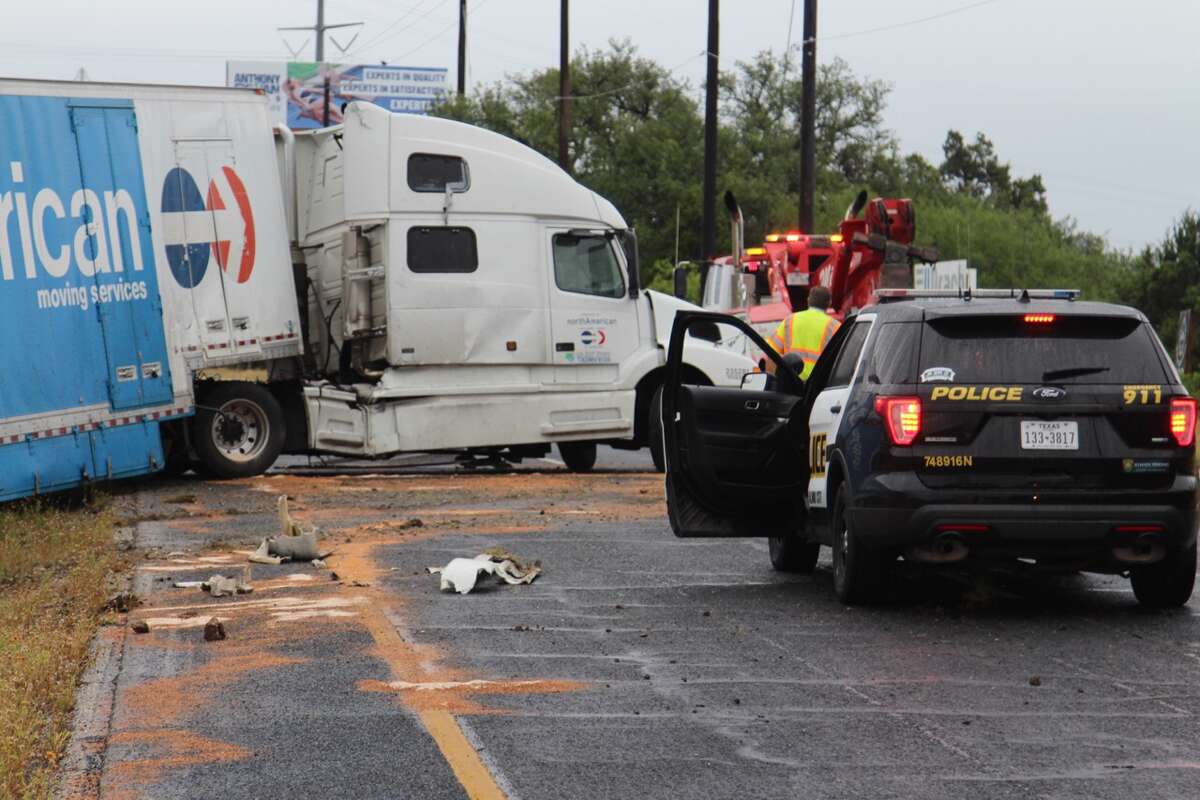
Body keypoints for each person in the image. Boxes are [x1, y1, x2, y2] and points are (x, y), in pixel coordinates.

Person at [765, 285, 841, 380]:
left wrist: (772, 383)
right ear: (829, 303)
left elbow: (771, 353)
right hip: (818, 386)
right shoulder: (835, 326)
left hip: (792, 383)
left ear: (808, 300)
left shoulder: (790, 320)